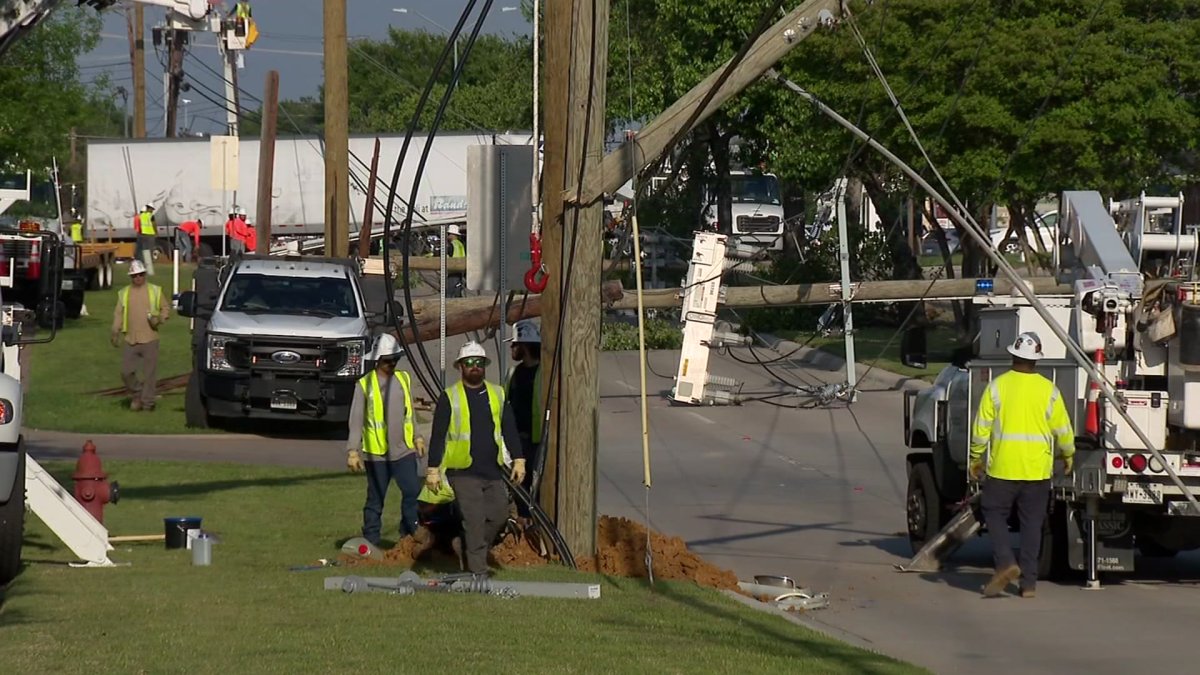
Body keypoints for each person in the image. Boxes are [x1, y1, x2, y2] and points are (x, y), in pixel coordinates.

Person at [970, 331, 1075, 599]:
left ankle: (1006, 563)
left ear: (1012, 355)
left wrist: (975, 458)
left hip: (1003, 469)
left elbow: (981, 428)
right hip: (1037, 471)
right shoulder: (1049, 390)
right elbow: (1062, 428)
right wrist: (1068, 454)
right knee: (1032, 525)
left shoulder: (997, 386)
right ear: (1036, 360)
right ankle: (1028, 584)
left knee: (993, 513)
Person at [426, 341, 524, 576]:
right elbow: (438, 435)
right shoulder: (449, 397)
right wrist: (432, 469)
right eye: (469, 363)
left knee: (499, 515)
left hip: (492, 470)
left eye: (478, 363)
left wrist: (519, 459)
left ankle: (468, 547)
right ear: (460, 366)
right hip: (462, 471)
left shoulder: (497, 394)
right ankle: (478, 571)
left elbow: (509, 427)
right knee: (474, 519)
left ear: (484, 366)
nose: (474, 367)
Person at [345, 334, 427, 547]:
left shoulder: (403, 379)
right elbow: (356, 420)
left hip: (403, 451)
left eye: (395, 359)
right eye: (388, 360)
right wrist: (353, 450)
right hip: (377, 454)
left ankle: (408, 535)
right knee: (375, 500)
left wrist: (417, 437)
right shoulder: (364, 385)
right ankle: (371, 541)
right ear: (377, 359)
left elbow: (410, 412)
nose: (392, 364)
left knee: (412, 492)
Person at [111, 259, 169, 411]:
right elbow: (118, 313)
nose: (138, 278)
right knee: (126, 372)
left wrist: (160, 319)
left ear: (144, 275)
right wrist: (115, 331)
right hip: (131, 338)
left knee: (150, 374)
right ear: (131, 277)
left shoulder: (155, 290)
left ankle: (148, 403)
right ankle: (137, 393)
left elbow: (165, 308)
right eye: (134, 275)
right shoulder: (124, 293)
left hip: (150, 338)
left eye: (140, 275)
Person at [504, 319, 543, 517]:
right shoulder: (513, 373)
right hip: (517, 440)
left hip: (538, 441)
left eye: (514, 345)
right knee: (519, 483)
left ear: (525, 346)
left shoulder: (544, 373)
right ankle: (523, 519)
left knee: (537, 486)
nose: (512, 349)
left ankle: (537, 522)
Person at [133, 203, 157, 274]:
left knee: (140, 251)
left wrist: (139, 233)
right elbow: (154, 224)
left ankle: (139, 267)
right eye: (152, 209)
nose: (152, 211)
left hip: (141, 235)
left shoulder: (141, 216)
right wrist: (156, 232)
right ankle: (149, 269)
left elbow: (138, 226)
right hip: (150, 235)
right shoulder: (151, 216)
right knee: (148, 252)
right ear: (149, 208)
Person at [446, 224, 466, 298]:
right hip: (460, 272)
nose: (447, 236)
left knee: (449, 295)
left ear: (452, 235)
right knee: (457, 293)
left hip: (453, 272)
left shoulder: (451, 245)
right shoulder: (460, 244)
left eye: (448, 234)